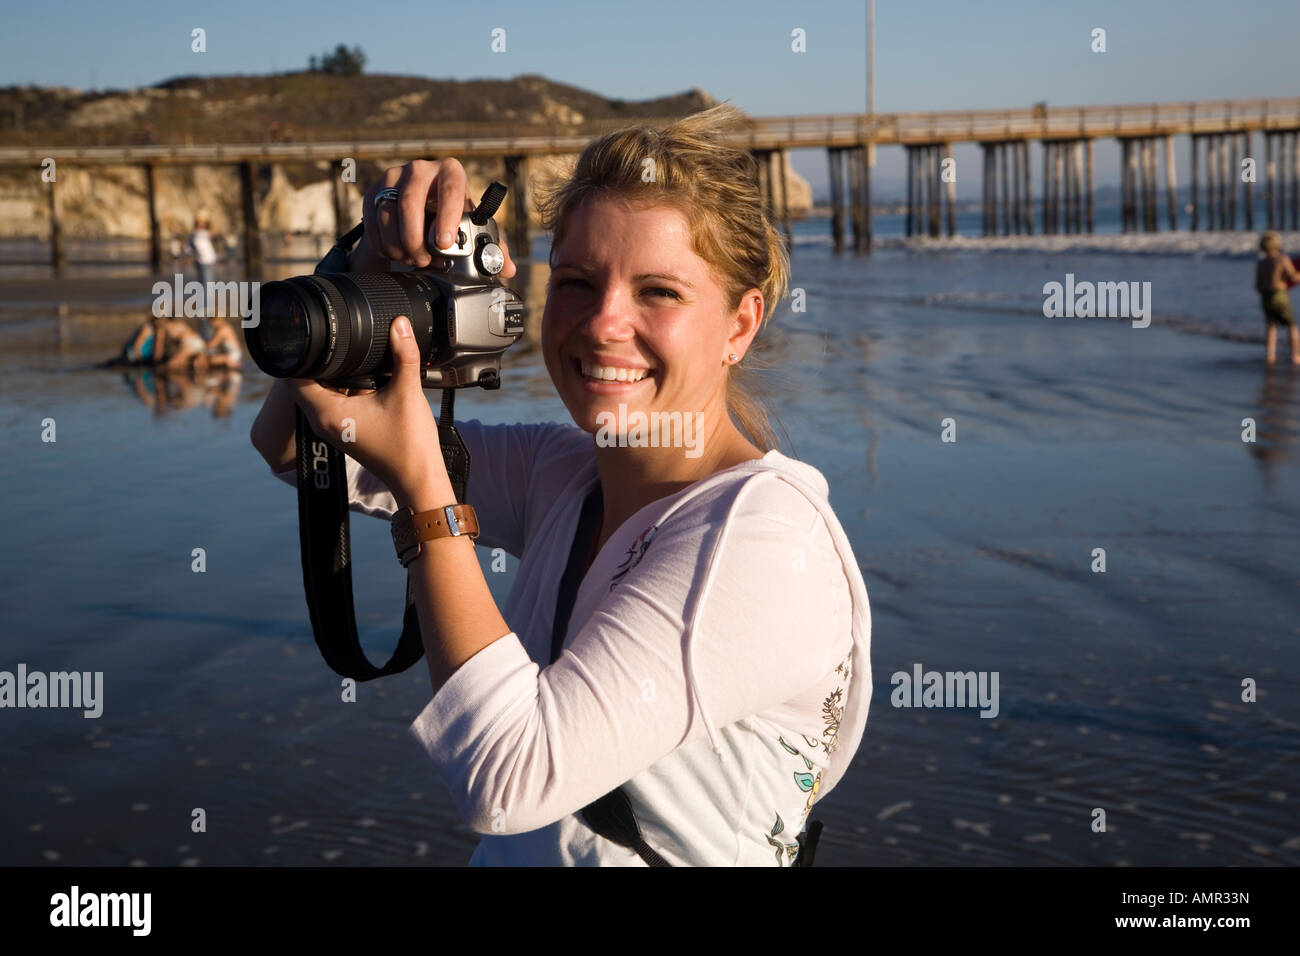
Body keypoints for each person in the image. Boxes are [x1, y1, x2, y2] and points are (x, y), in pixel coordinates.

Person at [250, 104, 873, 867]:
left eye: (660, 292)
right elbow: (293, 447)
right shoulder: (565, 473)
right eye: (577, 282)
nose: (605, 322)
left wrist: (426, 488)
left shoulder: (764, 539)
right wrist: (366, 281)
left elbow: (507, 779)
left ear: (741, 326)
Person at [1255, 230, 1300, 366]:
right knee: (1291, 325)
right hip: (1279, 295)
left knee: (1271, 326)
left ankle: (1270, 356)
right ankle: (1296, 356)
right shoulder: (1283, 259)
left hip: (1265, 297)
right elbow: (1293, 277)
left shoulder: (1261, 263)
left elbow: (1258, 285)